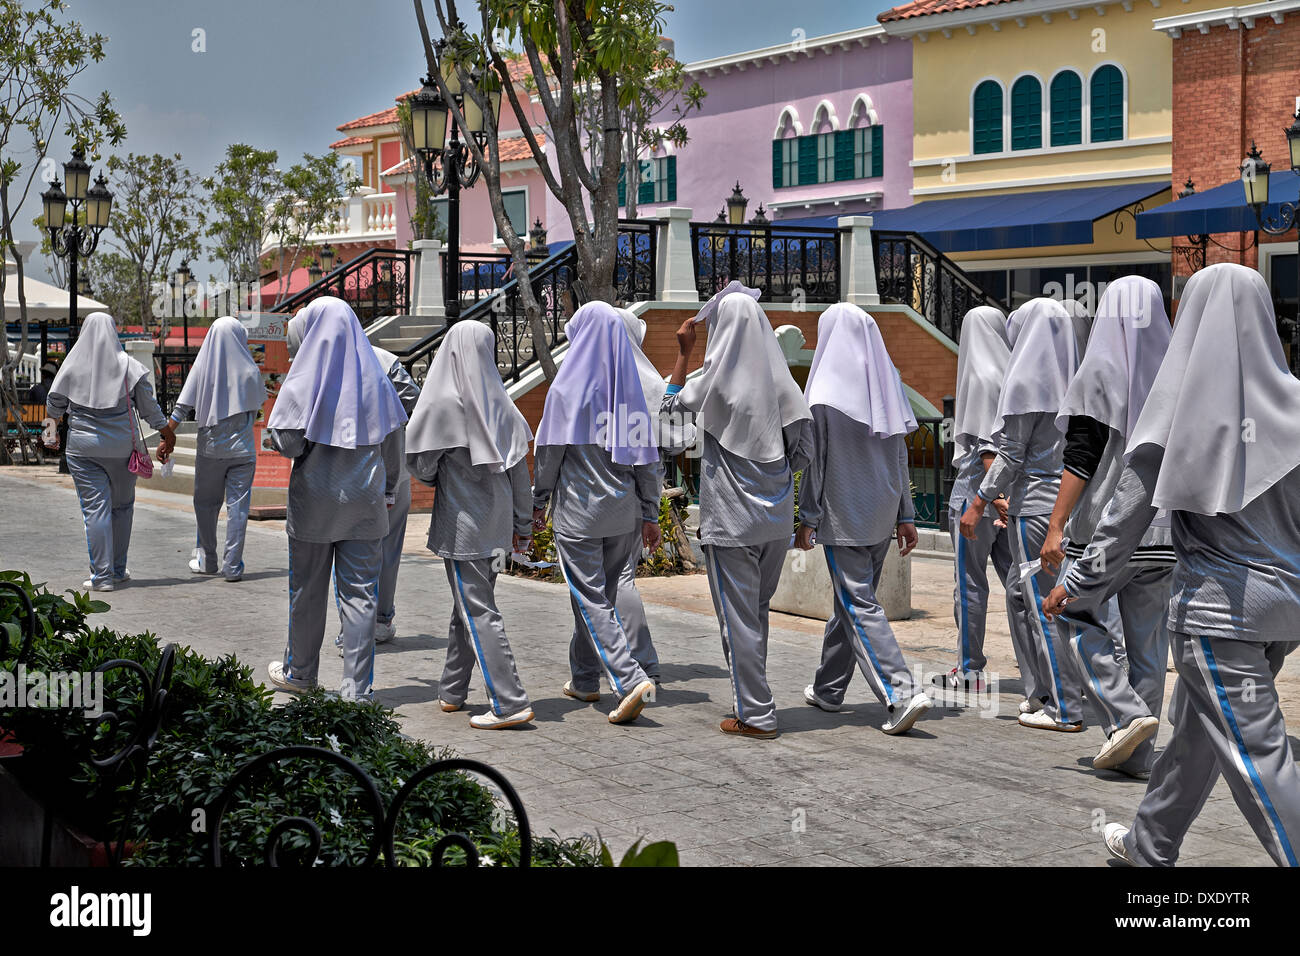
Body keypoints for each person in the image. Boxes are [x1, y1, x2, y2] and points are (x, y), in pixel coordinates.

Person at [1041, 264, 1300, 867]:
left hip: (1218, 614)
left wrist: (1076, 587)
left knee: (1260, 757)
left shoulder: (1177, 412)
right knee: (1195, 736)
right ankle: (1149, 845)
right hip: (1283, 610)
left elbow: (1124, 518)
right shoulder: (1292, 407)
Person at [663, 291, 813, 740]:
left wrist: (684, 353)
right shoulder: (784, 385)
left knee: (739, 618)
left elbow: (667, 422)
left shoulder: (713, 381)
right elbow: (803, 452)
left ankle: (757, 713)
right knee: (756, 614)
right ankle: (751, 699)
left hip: (731, 523)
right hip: (775, 521)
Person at [1040, 277, 1174, 779]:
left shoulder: (1099, 365)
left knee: (1069, 610)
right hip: (1161, 532)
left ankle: (1124, 713)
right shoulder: (1171, 370)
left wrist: (1056, 525)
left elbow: (1080, 456)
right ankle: (1140, 756)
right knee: (1149, 645)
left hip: (1103, 529)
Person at [794, 302, 930, 735]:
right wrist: (906, 515)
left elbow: (815, 462)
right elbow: (899, 454)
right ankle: (829, 689)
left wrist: (808, 517)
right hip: (882, 511)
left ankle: (901, 691)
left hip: (844, 514)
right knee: (851, 603)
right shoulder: (885, 384)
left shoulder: (822, 395)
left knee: (858, 604)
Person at [264, 296, 407, 702]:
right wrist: (390, 489)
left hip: (315, 501)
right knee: (361, 595)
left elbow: (288, 443)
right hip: (366, 499)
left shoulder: (305, 375)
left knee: (306, 589)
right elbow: (394, 441)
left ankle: (301, 673)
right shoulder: (374, 375)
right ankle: (356, 690)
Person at [533, 301, 662, 725]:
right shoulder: (630, 393)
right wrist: (650, 513)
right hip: (622, 514)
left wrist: (537, 502)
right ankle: (585, 677)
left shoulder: (566, 389)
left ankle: (629, 680)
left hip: (580, 514)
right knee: (597, 598)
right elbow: (647, 462)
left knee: (590, 599)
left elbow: (549, 455)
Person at [959, 297, 1082, 731]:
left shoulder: (1026, 381)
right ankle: (1043, 690)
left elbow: (1009, 452)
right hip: (1066, 508)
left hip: (1034, 509)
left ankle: (1064, 704)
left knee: (1042, 604)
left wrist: (979, 501)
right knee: (1023, 596)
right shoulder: (1076, 381)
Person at [406, 321, 536, 730]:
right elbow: (520, 476)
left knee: (477, 609)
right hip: (498, 530)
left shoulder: (443, 403)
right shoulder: (502, 403)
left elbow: (421, 464)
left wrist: (442, 472)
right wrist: (524, 527)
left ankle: (510, 700)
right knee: (468, 606)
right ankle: (452, 689)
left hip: (464, 530)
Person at [563, 307, 696, 687]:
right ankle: (586, 674)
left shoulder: (585, 377)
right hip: (637, 494)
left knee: (606, 585)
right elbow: (676, 438)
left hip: (589, 501)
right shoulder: (647, 379)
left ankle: (638, 666)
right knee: (602, 587)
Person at [45, 312, 168, 591]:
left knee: (95, 511)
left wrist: (49, 437)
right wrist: (167, 432)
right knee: (122, 508)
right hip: (123, 450)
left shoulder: (71, 365)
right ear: (114, 332)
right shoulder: (130, 367)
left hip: (83, 450)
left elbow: (54, 404)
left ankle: (101, 578)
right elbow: (150, 409)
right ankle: (118, 569)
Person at [156, 316, 266, 583]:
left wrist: (166, 437)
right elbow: (257, 410)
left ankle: (208, 561)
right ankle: (232, 567)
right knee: (238, 509)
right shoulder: (251, 371)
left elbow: (181, 407)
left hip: (211, 449)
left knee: (205, 505)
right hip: (243, 451)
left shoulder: (203, 369)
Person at [939, 305, 1013, 693]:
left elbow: (987, 450)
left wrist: (992, 496)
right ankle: (1051, 670)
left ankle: (969, 670)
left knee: (969, 585)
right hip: (1010, 499)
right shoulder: (1012, 372)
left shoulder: (980, 376)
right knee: (1019, 583)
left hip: (976, 499)